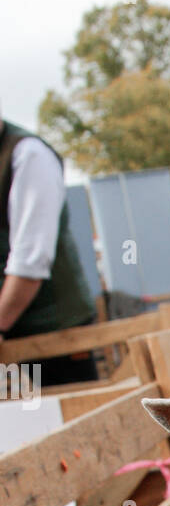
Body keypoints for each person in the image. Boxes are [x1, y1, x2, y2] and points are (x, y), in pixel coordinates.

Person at [0, 114, 96, 386]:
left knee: (68, 418)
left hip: (51, 332)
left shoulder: (28, 155)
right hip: (14, 333)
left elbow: (29, 262)